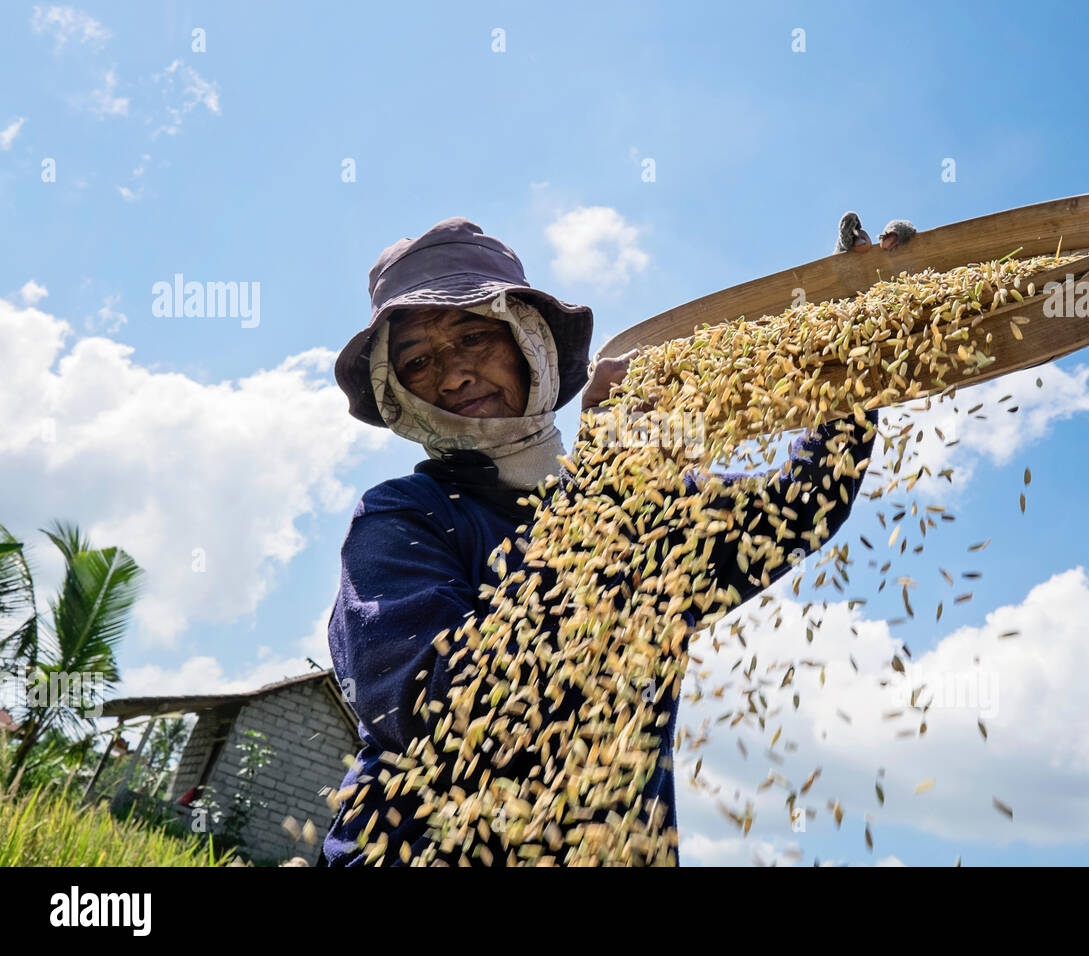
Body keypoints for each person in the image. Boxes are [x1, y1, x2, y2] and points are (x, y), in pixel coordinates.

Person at [322, 214, 909, 866]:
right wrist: (607, 485)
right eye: (420, 360)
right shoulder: (404, 519)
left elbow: (800, 509)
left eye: (474, 337)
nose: (455, 374)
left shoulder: (644, 510)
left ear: (530, 343)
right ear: (396, 390)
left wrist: (854, 333)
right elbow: (455, 720)